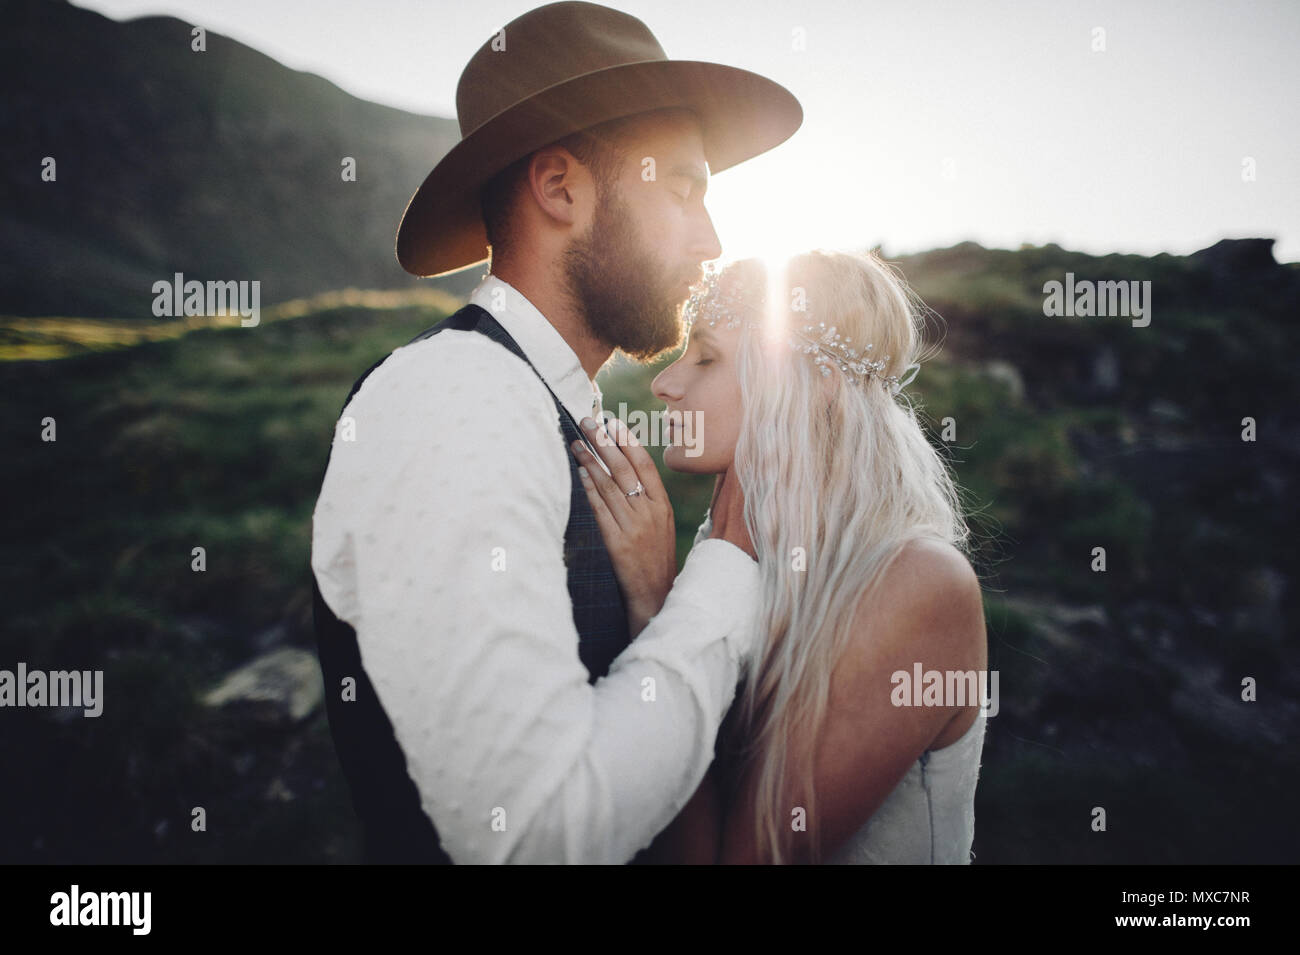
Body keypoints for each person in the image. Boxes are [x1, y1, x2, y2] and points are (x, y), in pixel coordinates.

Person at [309, 1, 801, 863]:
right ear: (561, 187)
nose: (713, 237)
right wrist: (726, 573)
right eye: (682, 186)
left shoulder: (544, 404)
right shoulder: (453, 396)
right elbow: (535, 834)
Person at [571, 251, 989, 863]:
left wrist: (666, 604)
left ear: (813, 381)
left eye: (707, 356)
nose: (664, 382)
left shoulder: (919, 583)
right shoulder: (747, 554)